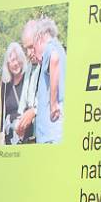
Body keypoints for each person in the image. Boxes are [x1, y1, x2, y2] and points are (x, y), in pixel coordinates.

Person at [28, 16, 66, 145]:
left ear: (40, 38)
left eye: (34, 47)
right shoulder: (61, 49)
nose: (33, 53)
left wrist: (53, 103)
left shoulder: (50, 47)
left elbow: (53, 58)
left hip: (50, 135)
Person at [1, 42, 36, 145]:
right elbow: (4, 113)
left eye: (18, 59)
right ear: (8, 64)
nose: (16, 63)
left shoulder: (28, 79)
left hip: (28, 136)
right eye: (12, 60)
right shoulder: (5, 84)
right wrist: (1, 134)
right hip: (10, 139)